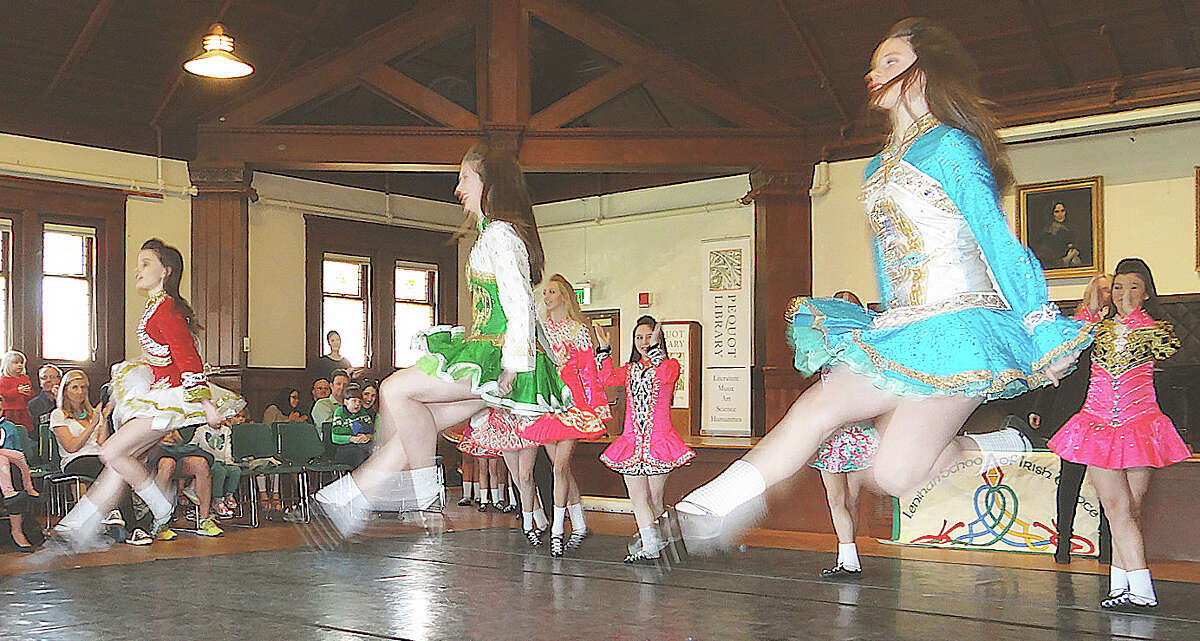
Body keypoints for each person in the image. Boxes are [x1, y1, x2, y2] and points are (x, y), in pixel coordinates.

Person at [673, 18, 1088, 553]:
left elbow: (997, 239)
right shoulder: (876, 167)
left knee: (884, 468)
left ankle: (1006, 439)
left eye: (890, 61)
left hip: (960, 324)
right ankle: (718, 502)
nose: (874, 73)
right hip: (904, 324)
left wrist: (1040, 326)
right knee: (855, 445)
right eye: (875, 63)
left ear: (924, 71)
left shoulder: (952, 148)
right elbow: (886, 260)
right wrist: (886, 330)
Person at [311, 143, 570, 541]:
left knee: (395, 389)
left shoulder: (501, 234)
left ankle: (420, 500)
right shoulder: (493, 234)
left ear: (488, 181)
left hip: (498, 357)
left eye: (464, 177)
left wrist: (511, 367)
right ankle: (354, 496)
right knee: (421, 420)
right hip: (494, 354)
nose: (457, 187)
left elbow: (520, 303)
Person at [36, 238, 244, 557]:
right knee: (120, 464)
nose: (138, 269)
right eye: (139, 262)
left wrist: (207, 405)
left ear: (165, 271)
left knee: (111, 453)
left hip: (167, 401)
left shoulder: (168, 311)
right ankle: (76, 526)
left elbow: (189, 359)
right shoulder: (156, 307)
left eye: (146, 263)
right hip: (158, 395)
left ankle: (160, 502)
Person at [1048, 258, 1190, 609]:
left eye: (1133, 287)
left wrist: (1134, 317)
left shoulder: (1154, 327)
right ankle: (1142, 589)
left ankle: (1121, 585)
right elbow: (1064, 345)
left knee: (1131, 509)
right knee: (1116, 505)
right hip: (1097, 427)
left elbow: (1168, 349)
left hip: (1141, 427)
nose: (1124, 294)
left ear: (1146, 293)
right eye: (1118, 287)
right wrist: (1088, 308)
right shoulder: (1095, 327)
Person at [519, 274, 610, 556]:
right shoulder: (539, 330)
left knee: (560, 467)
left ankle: (558, 530)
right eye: (544, 293)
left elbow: (587, 370)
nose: (546, 297)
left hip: (573, 405)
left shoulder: (578, 330)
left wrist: (596, 405)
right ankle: (579, 523)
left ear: (564, 296)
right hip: (548, 404)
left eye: (552, 292)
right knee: (562, 468)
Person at [1027, 273, 1113, 564]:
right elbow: (1056, 368)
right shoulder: (1075, 326)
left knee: (1107, 483)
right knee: (1070, 479)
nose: (1106, 294)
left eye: (1110, 289)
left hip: (1104, 412)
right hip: (1071, 411)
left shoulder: (1115, 328)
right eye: (1102, 289)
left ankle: (1108, 545)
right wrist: (1039, 406)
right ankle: (1062, 542)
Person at [596, 316, 695, 563]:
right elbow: (606, 380)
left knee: (654, 497)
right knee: (638, 497)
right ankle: (650, 546)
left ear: (658, 338)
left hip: (658, 442)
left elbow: (665, 376)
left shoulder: (670, 365)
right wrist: (605, 350)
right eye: (638, 337)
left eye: (648, 336)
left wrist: (655, 352)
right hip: (631, 442)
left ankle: (662, 536)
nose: (642, 341)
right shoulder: (630, 370)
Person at [808, 291, 881, 578]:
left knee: (843, 500)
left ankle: (849, 556)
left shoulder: (855, 348)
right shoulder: (835, 345)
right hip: (845, 431)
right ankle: (849, 555)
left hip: (848, 431)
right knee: (845, 500)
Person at [192, 412, 243, 519]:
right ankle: (217, 500)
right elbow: (192, 445)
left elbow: (228, 447)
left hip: (222, 461)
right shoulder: (201, 431)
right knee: (220, 471)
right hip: (208, 463)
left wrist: (229, 460)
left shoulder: (226, 430)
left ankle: (229, 495)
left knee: (235, 470)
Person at [330, 383, 374, 470]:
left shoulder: (363, 412)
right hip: (345, 447)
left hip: (363, 445)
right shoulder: (339, 412)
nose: (357, 404)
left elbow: (371, 429)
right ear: (346, 402)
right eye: (354, 401)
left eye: (359, 402)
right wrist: (352, 437)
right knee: (359, 454)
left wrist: (367, 436)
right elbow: (336, 434)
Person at [0, 351, 36, 435]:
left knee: (24, 431)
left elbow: (30, 395)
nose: (20, 365)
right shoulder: (4, 380)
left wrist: (28, 394)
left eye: (21, 363)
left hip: (23, 410)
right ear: (7, 364)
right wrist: (17, 391)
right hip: (9, 411)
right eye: (15, 363)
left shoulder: (25, 378)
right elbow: (3, 394)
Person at [27, 364, 62, 439]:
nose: (48, 380)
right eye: (44, 378)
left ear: (59, 380)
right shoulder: (33, 404)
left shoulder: (70, 400)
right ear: (40, 382)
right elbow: (34, 432)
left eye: (52, 377)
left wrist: (58, 399)